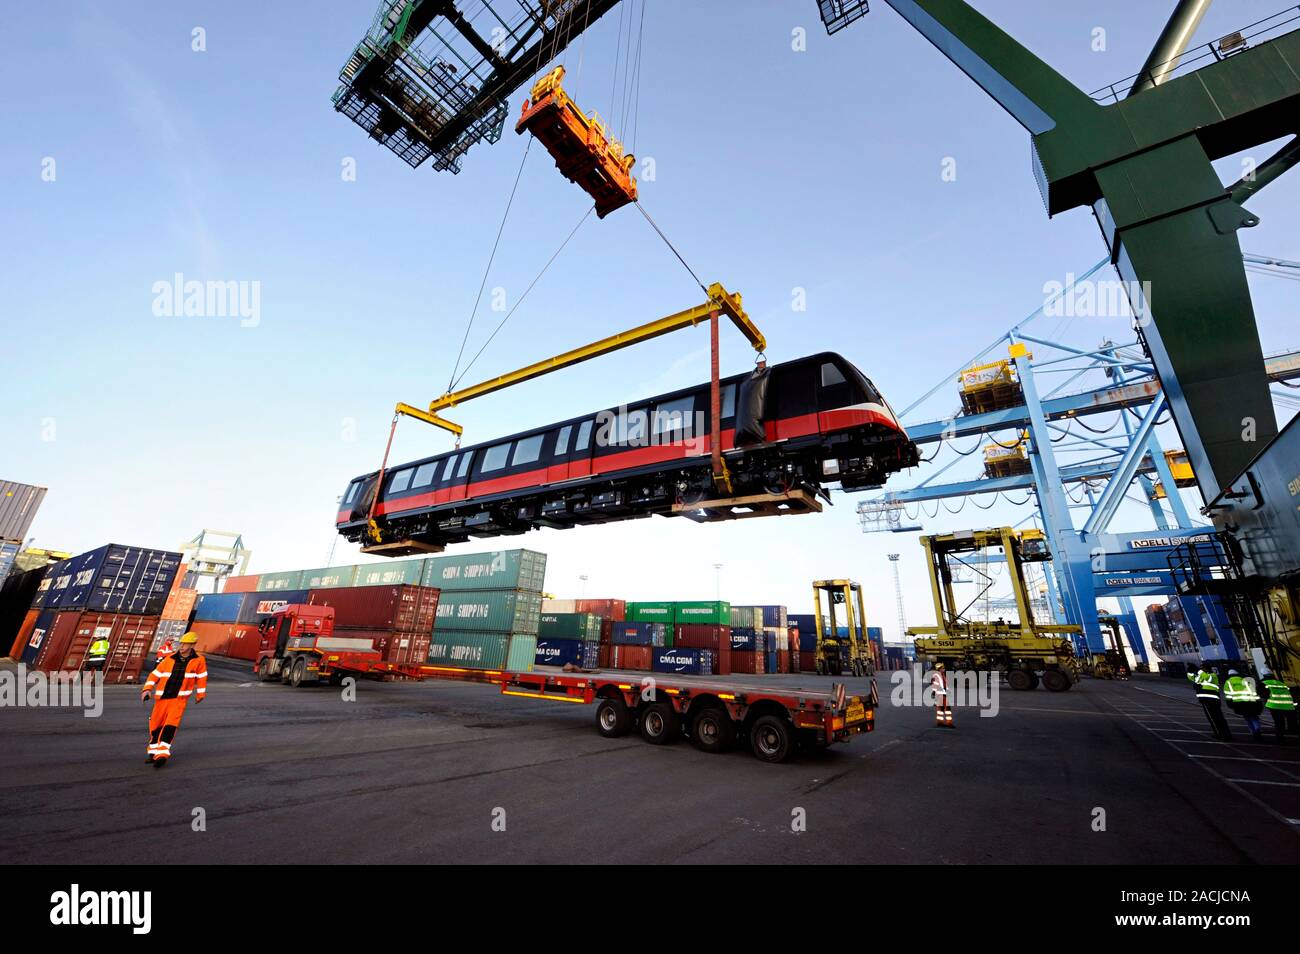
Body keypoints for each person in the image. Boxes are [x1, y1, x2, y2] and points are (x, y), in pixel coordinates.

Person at [140, 632, 207, 767]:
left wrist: (200, 694)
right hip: (162, 699)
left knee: (170, 726)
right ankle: (153, 753)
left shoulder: (199, 660)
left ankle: (162, 755)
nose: (181, 646)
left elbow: (202, 677)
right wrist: (147, 689)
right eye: (180, 643)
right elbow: (154, 675)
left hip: (179, 700)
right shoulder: (169, 658)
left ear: (192, 645)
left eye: (185, 644)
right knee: (155, 727)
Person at [1190, 665, 1231, 741]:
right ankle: (1222, 733)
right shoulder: (1202, 676)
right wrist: (1190, 672)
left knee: (1217, 718)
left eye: (1202, 668)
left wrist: (1199, 671)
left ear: (1207, 669)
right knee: (1214, 718)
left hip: (1212, 700)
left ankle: (1222, 734)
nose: (1201, 670)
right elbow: (1193, 679)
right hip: (1205, 700)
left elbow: (1207, 679)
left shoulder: (1212, 675)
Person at [1223, 668, 1264, 741]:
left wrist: (1230, 704)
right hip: (1251, 701)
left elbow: (1228, 695)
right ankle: (1257, 730)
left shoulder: (1228, 682)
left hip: (1240, 703)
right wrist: (1258, 702)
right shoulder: (1245, 681)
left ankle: (1253, 732)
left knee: (1247, 718)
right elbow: (1254, 692)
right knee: (1254, 717)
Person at [1259, 672, 1297, 743]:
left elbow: (1262, 694)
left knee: (1279, 723)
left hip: (1275, 706)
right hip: (1288, 705)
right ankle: (1293, 733)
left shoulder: (1263, 683)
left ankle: (1281, 739)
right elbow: (1289, 693)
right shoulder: (1281, 683)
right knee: (1292, 722)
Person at [931, 661, 953, 728]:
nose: (944, 669)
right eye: (943, 668)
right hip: (940, 695)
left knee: (941, 709)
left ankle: (940, 722)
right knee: (947, 709)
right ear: (939, 668)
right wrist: (934, 693)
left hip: (942, 694)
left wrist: (948, 691)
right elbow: (935, 685)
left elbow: (944, 684)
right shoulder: (937, 675)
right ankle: (949, 724)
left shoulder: (941, 674)